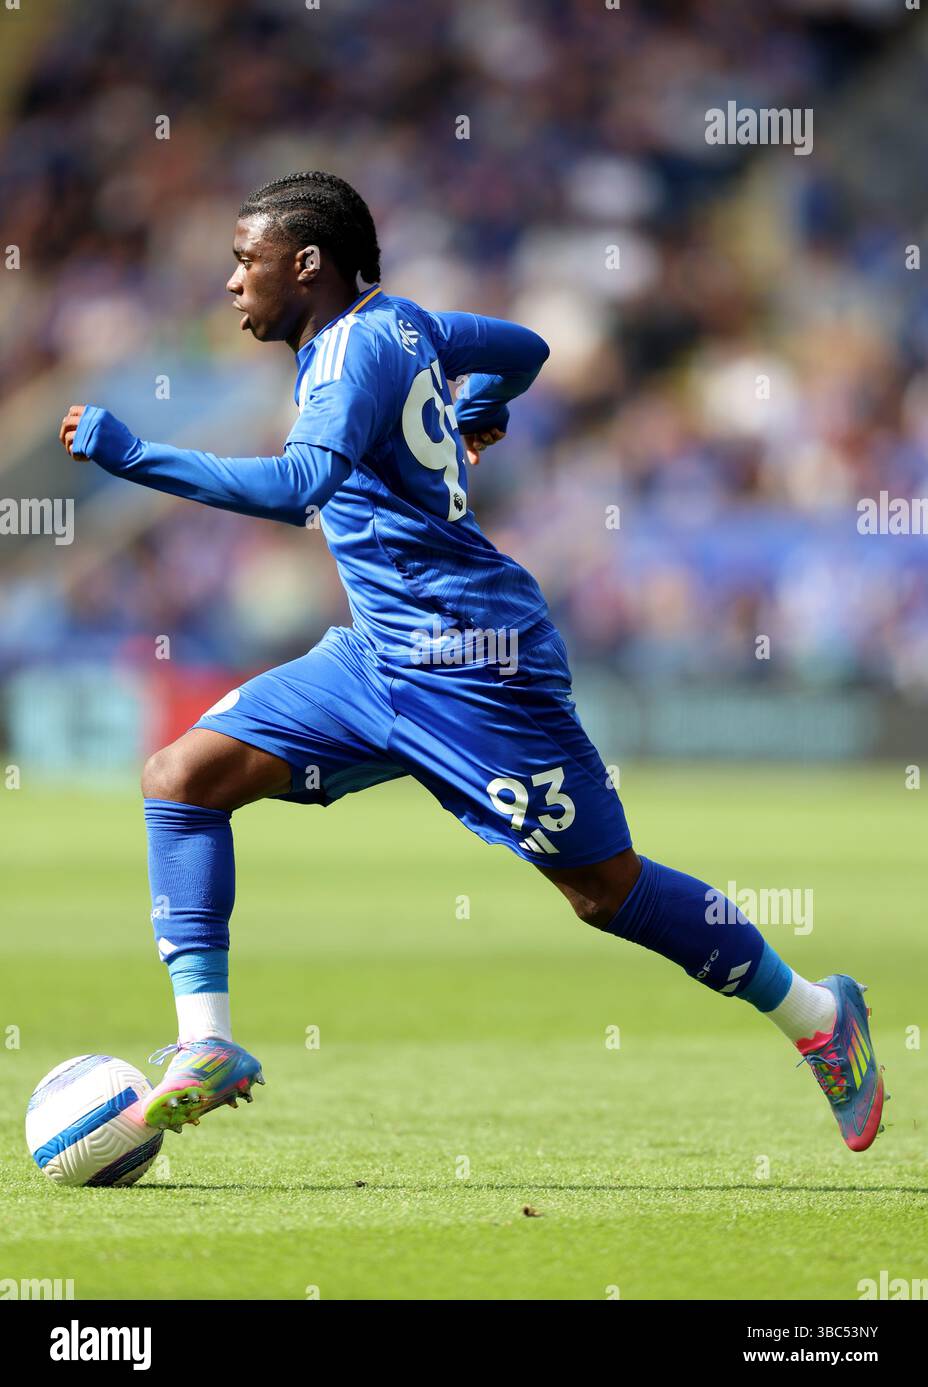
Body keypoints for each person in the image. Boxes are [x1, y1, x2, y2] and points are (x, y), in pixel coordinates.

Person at [60, 171, 884, 1151]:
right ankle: (206, 1043)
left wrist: (130, 453)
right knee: (181, 777)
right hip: (377, 655)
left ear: (307, 264)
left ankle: (817, 1018)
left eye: (248, 261)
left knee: (603, 891)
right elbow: (524, 348)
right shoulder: (399, 323)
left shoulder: (349, 359)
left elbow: (295, 490)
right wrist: (482, 404)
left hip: (475, 665)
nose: (233, 282)